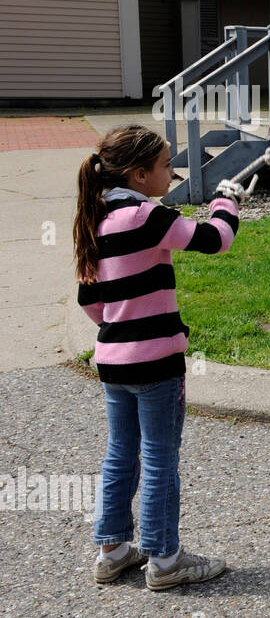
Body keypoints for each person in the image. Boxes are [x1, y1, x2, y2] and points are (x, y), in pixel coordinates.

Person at [74, 125, 253, 590]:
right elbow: (216, 239)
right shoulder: (146, 216)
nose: (170, 171)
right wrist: (226, 199)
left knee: (120, 453)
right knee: (159, 458)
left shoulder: (96, 218)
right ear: (138, 175)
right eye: (164, 164)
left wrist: (121, 334)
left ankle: (111, 551)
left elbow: (89, 301)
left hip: (113, 362)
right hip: (156, 365)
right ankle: (166, 561)